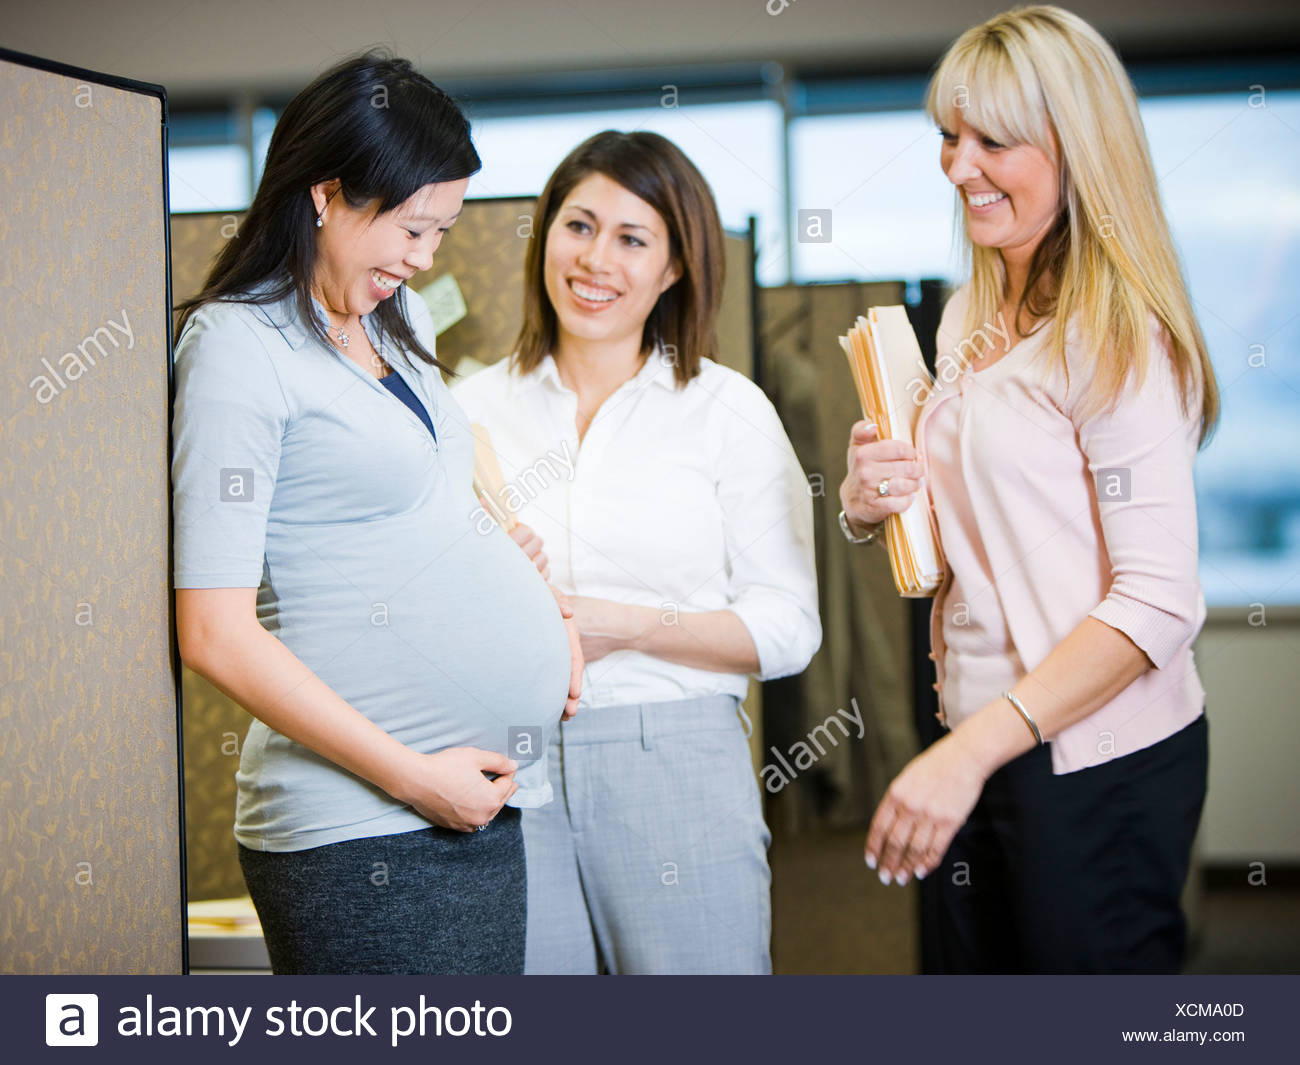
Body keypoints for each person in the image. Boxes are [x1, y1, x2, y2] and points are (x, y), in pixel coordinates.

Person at [171, 51, 581, 975]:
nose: (426, 259)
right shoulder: (238, 348)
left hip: (471, 800)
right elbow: (213, 631)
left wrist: (535, 597)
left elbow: (428, 508)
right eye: (411, 228)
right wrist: (412, 776)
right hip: (361, 824)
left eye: (443, 232)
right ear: (325, 193)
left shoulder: (404, 323)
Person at [839, 5, 1219, 974]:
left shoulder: (1116, 334)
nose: (957, 167)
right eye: (947, 137)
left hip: (1087, 760)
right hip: (974, 734)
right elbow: (986, 541)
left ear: (1077, 149)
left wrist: (968, 754)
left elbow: (1157, 603)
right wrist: (871, 500)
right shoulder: (971, 305)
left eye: (993, 142)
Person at [452, 130, 821, 974]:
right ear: (544, 233)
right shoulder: (466, 410)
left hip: (676, 759)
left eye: (632, 239)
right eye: (578, 226)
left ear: (676, 268)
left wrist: (621, 625)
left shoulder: (728, 411)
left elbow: (789, 628)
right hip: (511, 766)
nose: (596, 259)